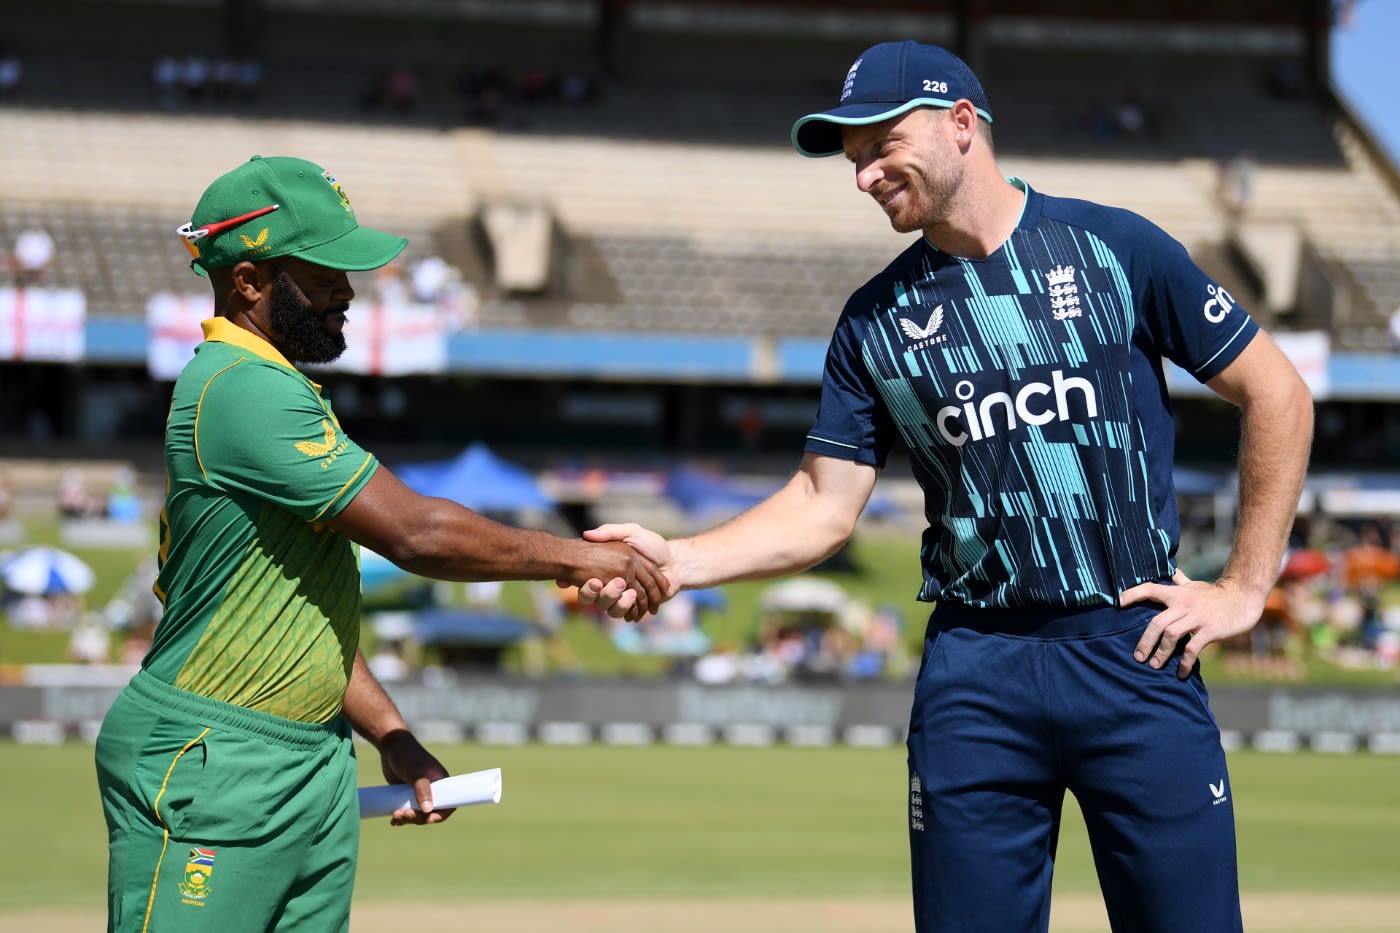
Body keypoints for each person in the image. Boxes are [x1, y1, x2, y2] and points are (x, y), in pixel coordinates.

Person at [579, 41, 1314, 933]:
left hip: (1134, 650)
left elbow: (1276, 392)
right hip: (977, 674)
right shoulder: (873, 321)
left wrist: (1245, 585)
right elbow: (821, 505)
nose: (865, 176)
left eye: (883, 145)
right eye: (854, 160)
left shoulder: (1115, 248)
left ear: (961, 123)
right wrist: (678, 560)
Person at [93, 154, 663, 933]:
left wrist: (391, 734)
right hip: (217, 755)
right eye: (322, 273)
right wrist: (580, 556)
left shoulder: (273, 386)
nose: (347, 290)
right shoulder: (242, 388)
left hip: (306, 759)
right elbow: (417, 533)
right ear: (249, 281)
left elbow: (300, 613)